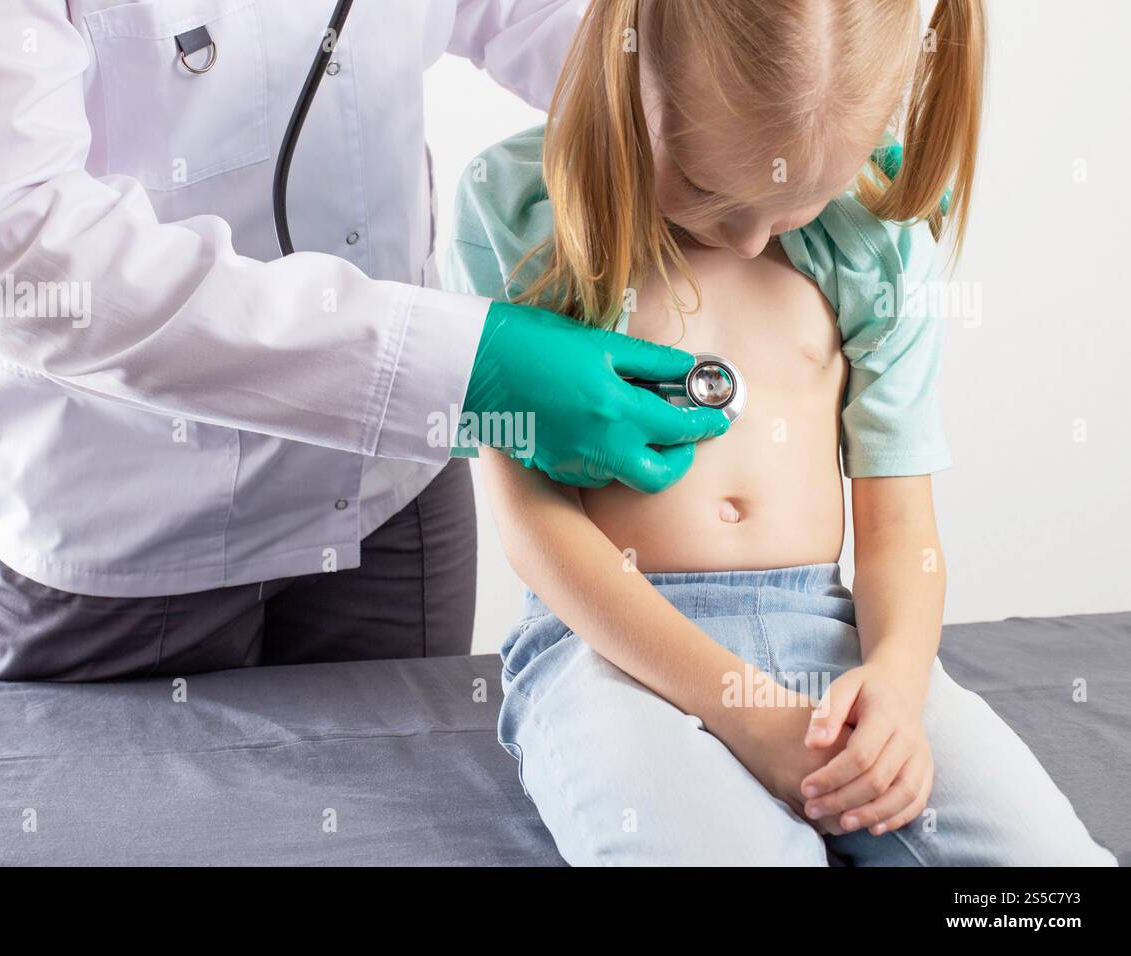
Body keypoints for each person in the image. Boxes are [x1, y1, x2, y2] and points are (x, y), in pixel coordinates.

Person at [0, 1, 725, 680]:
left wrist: (750, 107)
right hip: (126, 520)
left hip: (387, 496)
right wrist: (464, 371)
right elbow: (5, 240)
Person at [446, 0, 1117, 865]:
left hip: (831, 640)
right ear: (635, 58)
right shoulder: (514, 214)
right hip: (613, 654)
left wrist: (898, 687)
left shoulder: (875, 233)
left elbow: (899, 529)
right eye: (709, 189)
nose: (751, 235)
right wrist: (750, 719)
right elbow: (535, 529)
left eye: (797, 204)